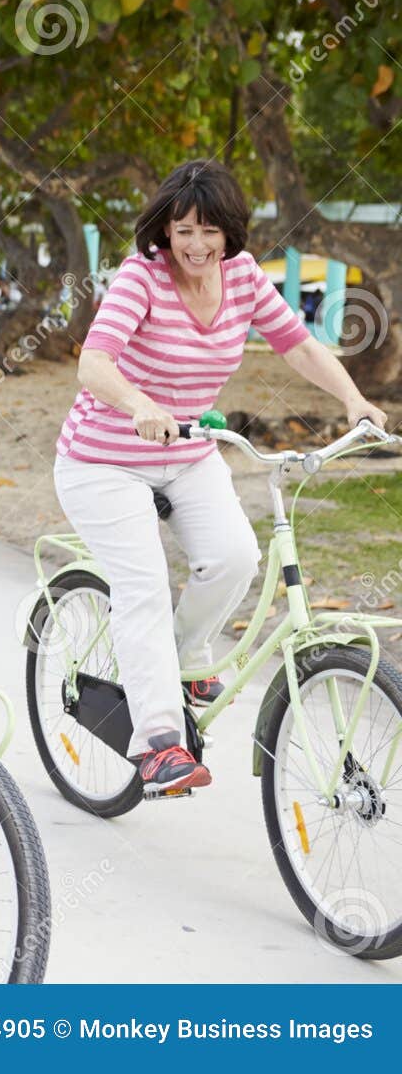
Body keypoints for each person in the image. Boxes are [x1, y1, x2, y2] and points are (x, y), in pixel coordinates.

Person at [55, 159, 390, 793]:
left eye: (210, 230)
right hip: (102, 458)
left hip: (187, 451)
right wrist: (141, 406)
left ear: (231, 231)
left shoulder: (242, 277)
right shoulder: (141, 277)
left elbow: (297, 345)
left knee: (236, 557)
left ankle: (181, 659)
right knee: (145, 585)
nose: (197, 245)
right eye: (184, 230)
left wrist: (352, 398)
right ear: (165, 230)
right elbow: (94, 364)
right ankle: (157, 743)